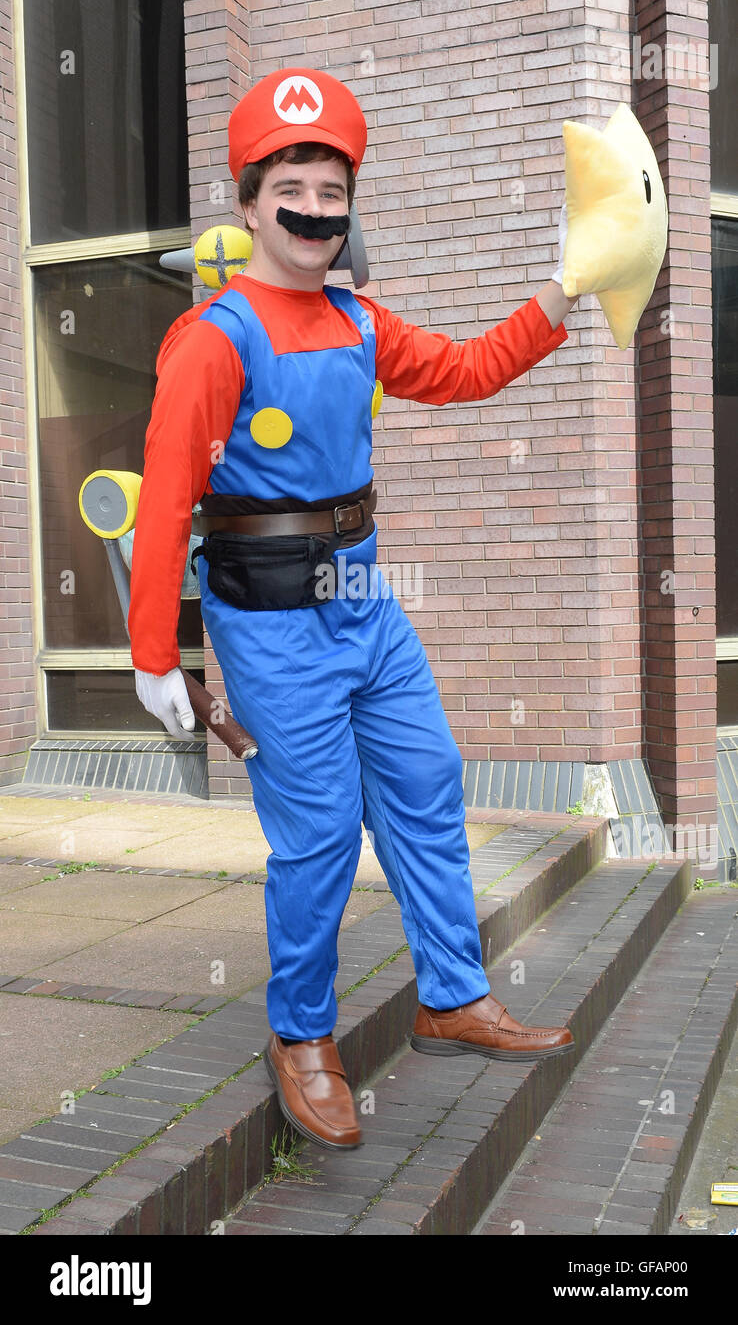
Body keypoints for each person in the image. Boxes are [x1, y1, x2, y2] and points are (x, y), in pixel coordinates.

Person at [129, 67, 580, 1152]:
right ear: (250, 202)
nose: (316, 209)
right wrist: (154, 653)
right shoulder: (214, 338)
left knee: (427, 785)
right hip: (271, 627)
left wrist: (564, 290)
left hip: (363, 607)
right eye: (294, 185)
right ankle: (301, 1035)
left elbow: (470, 369)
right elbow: (167, 495)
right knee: (321, 834)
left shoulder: (360, 322)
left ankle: (452, 994)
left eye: (333, 190)